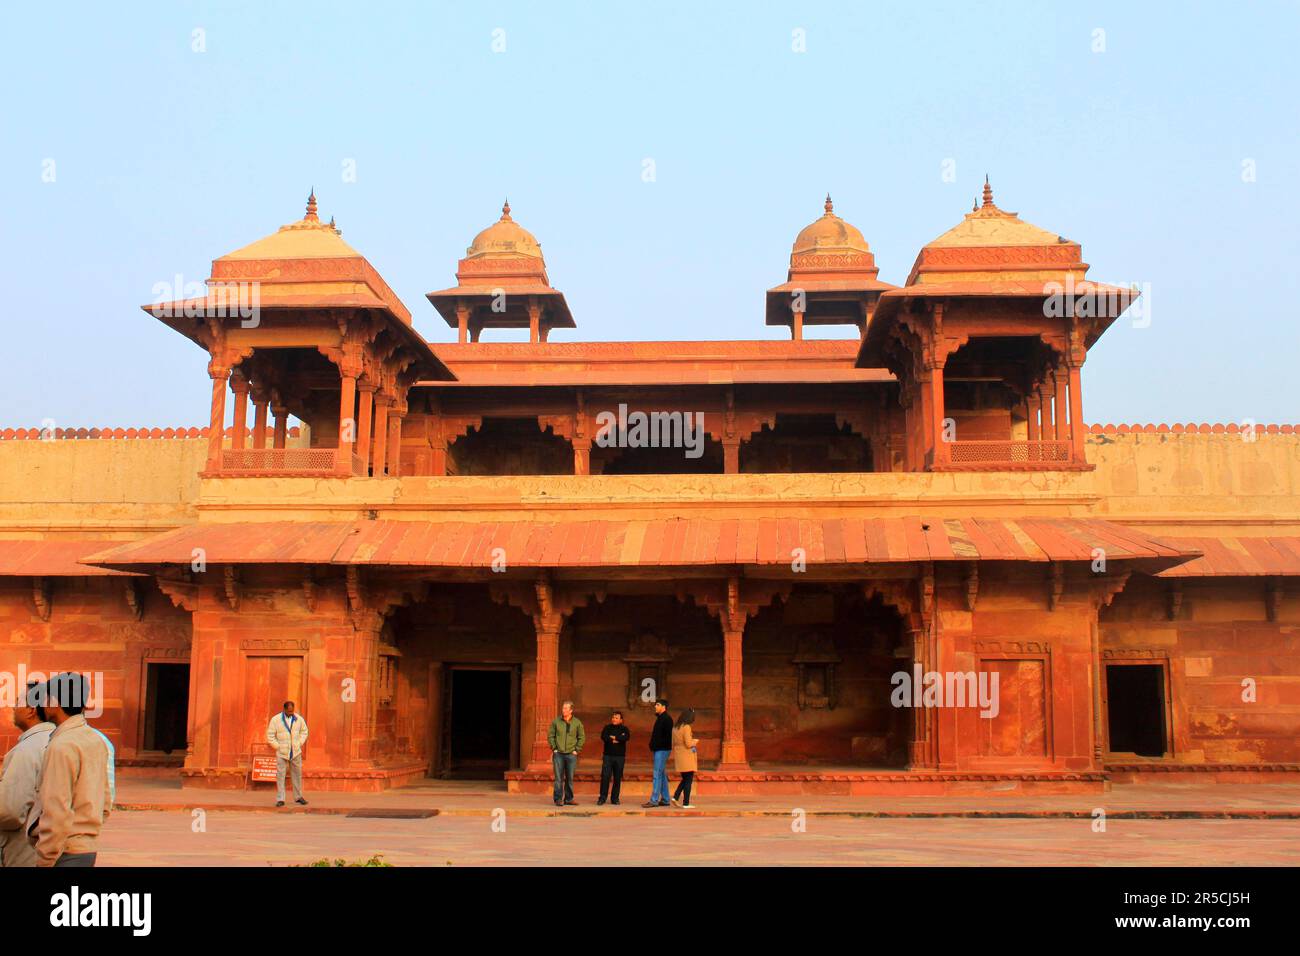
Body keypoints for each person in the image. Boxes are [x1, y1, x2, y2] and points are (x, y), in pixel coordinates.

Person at [27, 673, 112, 867]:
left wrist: (45, 858)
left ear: (54, 702)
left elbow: (56, 810)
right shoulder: (94, 739)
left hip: (64, 852)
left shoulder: (62, 745)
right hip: (86, 848)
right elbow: (105, 802)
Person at [0, 682, 55, 867]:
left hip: (24, 851)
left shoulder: (27, 750)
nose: (14, 708)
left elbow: (10, 812)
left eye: (17, 703)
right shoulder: (61, 742)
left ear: (31, 710)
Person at [265, 700, 309, 807]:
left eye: (292, 711)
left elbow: (304, 731)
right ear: (284, 709)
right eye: (289, 711)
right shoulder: (276, 720)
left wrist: (299, 743)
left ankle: (298, 797)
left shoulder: (299, 719)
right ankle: (281, 799)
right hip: (282, 752)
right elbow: (270, 735)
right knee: (280, 775)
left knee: (297, 775)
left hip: (295, 752)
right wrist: (277, 747)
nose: (290, 713)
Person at [547, 700, 584, 807]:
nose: (564, 710)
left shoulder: (577, 723)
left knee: (570, 778)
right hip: (558, 754)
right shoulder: (556, 722)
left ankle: (569, 799)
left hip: (571, 754)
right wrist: (554, 748)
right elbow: (550, 736)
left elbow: (581, 737)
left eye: (566, 708)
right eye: (563, 708)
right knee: (558, 778)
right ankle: (558, 799)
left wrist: (576, 750)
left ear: (571, 710)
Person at [642, 698, 673, 808]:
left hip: (662, 749)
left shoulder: (667, 719)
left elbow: (667, 737)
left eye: (658, 705)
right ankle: (665, 799)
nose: (655, 706)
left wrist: (656, 745)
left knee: (657, 774)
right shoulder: (661, 718)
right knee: (661, 774)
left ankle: (654, 800)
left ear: (663, 707)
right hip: (660, 749)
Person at [596, 711, 630, 806]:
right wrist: (617, 738)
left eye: (616, 718)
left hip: (620, 757)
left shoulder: (624, 729)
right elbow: (604, 737)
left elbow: (626, 737)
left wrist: (614, 737)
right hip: (608, 756)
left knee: (617, 778)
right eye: (613, 717)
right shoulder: (607, 728)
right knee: (605, 777)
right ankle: (602, 798)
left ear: (621, 720)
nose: (614, 719)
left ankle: (615, 798)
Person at [671, 707, 699, 808]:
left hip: (679, 754)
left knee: (685, 779)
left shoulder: (675, 727)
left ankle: (676, 796)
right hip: (687, 755)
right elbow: (688, 743)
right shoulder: (686, 727)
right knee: (688, 779)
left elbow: (673, 742)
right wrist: (694, 742)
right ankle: (686, 803)